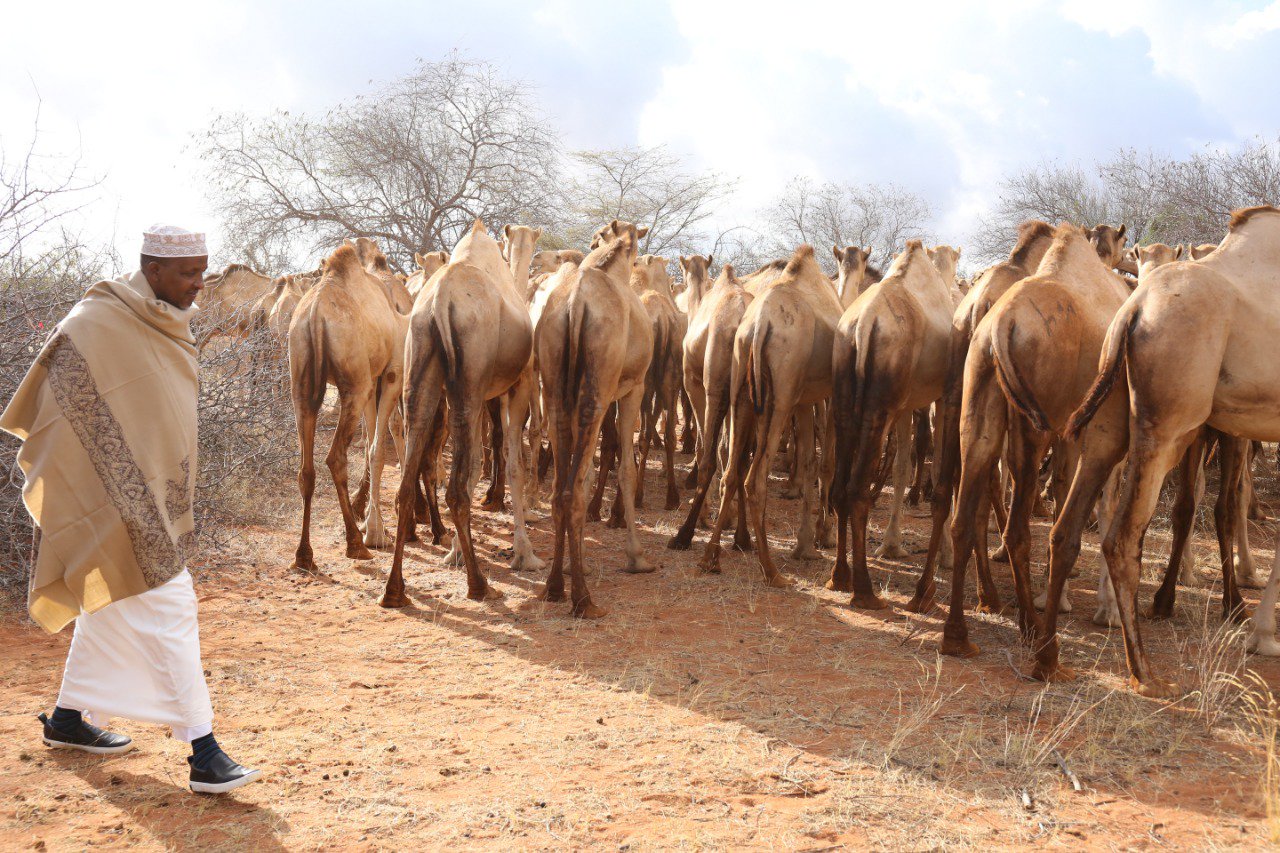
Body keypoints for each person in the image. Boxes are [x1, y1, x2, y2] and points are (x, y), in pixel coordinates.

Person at [1, 225, 261, 794]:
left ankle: (69, 720)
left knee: (109, 598)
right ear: (152, 267)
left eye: (203, 270)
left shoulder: (166, 323)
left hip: (149, 492)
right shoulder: (93, 321)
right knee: (173, 605)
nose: (199, 284)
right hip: (105, 491)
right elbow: (51, 406)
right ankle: (203, 751)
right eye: (188, 272)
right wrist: (104, 468)